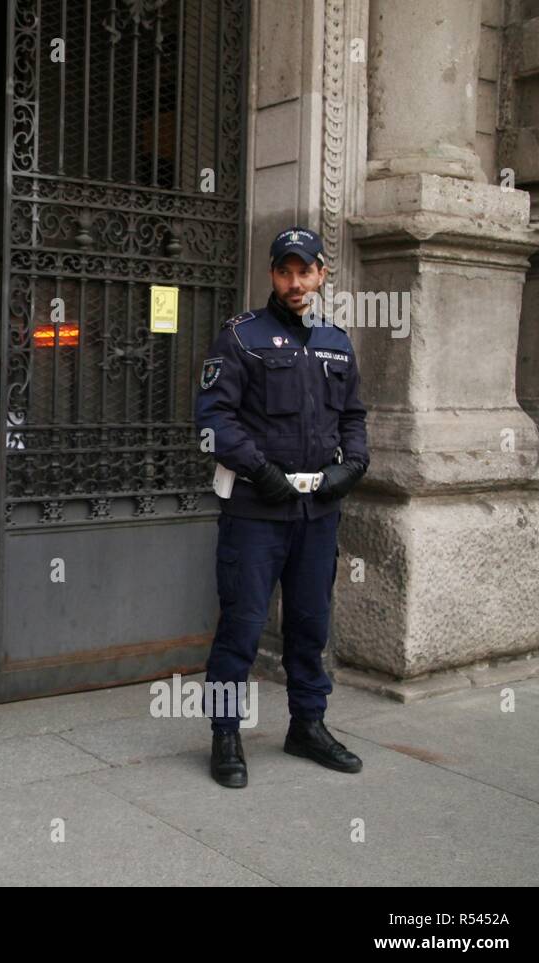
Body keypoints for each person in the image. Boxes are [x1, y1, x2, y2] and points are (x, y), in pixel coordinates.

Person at [194, 226, 369, 788]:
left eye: (305, 271)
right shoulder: (241, 337)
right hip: (255, 510)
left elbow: (354, 418)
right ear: (272, 274)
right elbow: (214, 420)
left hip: (317, 512)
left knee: (310, 625)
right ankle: (225, 734)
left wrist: (352, 467)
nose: (295, 282)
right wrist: (261, 471)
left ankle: (307, 726)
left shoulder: (336, 341)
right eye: (284, 271)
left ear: (322, 274)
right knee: (241, 626)